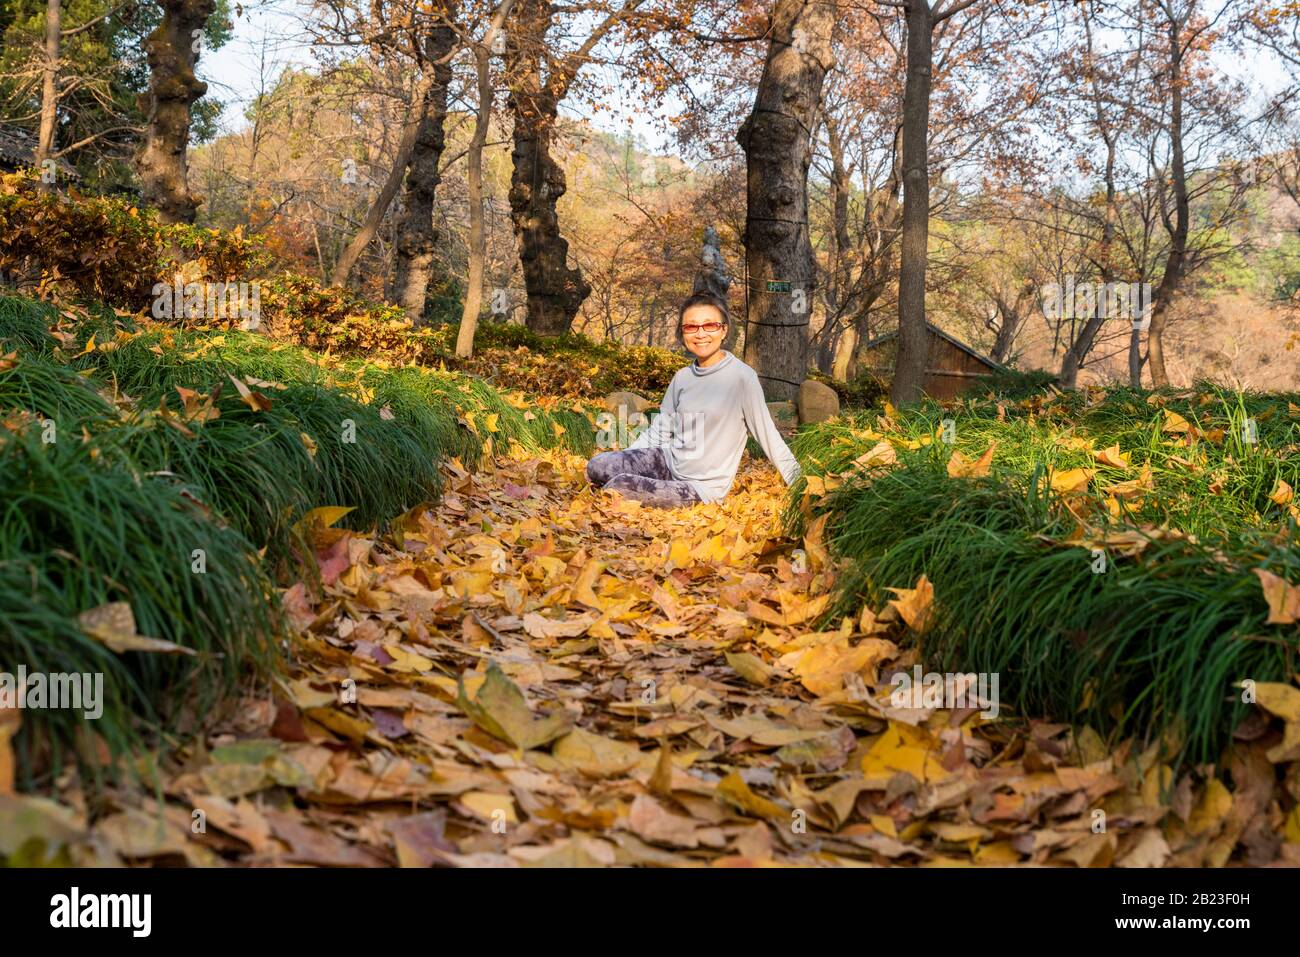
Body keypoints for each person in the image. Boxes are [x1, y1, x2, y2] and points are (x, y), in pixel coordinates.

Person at [586, 292, 802, 508]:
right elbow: (658, 432)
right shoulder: (682, 377)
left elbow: (769, 437)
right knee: (598, 466)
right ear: (683, 333)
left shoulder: (742, 378)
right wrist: (628, 460)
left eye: (710, 325)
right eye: (691, 327)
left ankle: (650, 489)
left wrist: (802, 484)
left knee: (619, 486)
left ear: (724, 329)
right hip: (668, 463)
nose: (700, 334)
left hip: (700, 487)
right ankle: (652, 485)